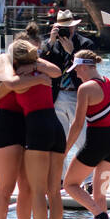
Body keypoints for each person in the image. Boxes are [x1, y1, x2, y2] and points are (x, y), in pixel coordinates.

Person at [0, 23, 59, 219]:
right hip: (7, 123)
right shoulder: (2, 61)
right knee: (5, 188)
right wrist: (30, 78)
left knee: (27, 187)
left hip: (31, 122)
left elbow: (54, 72)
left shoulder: (32, 62)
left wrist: (35, 72)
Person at [0, 38, 66, 219]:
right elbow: (57, 71)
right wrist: (37, 68)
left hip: (38, 127)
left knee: (37, 191)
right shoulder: (43, 71)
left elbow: (10, 84)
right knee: (54, 192)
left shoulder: (17, 76)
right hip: (56, 127)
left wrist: (29, 69)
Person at [62, 50, 110, 219]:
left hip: (96, 142)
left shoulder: (85, 89)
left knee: (70, 184)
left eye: (76, 70)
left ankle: (99, 214)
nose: (76, 74)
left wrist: (64, 151)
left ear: (83, 66)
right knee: (100, 195)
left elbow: (77, 124)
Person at [41, 9, 94, 151]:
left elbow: (89, 69)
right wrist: (51, 43)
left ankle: (86, 173)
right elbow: (39, 63)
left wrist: (72, 53)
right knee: (58, 142)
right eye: (63, 27)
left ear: (74, 26)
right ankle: (60, 173)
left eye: (69, 26)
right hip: (56, 95)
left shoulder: (85, 44)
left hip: (77, 94)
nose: (67, 30)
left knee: (83, 140)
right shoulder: (50, 45)